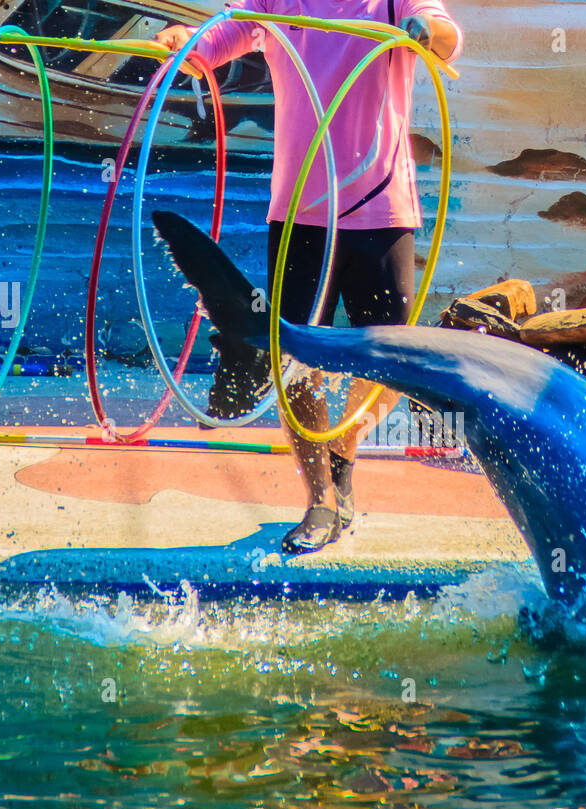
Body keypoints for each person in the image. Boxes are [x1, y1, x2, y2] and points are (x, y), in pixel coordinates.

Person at [157, 0, 463, 554]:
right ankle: (321, 497)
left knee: (392, 362)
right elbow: (219, 42)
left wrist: (424, 30)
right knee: (296, 360)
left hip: (381, 206)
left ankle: (343, 446)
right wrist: (185, 43)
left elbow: (446, 39)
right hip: (301, 209)